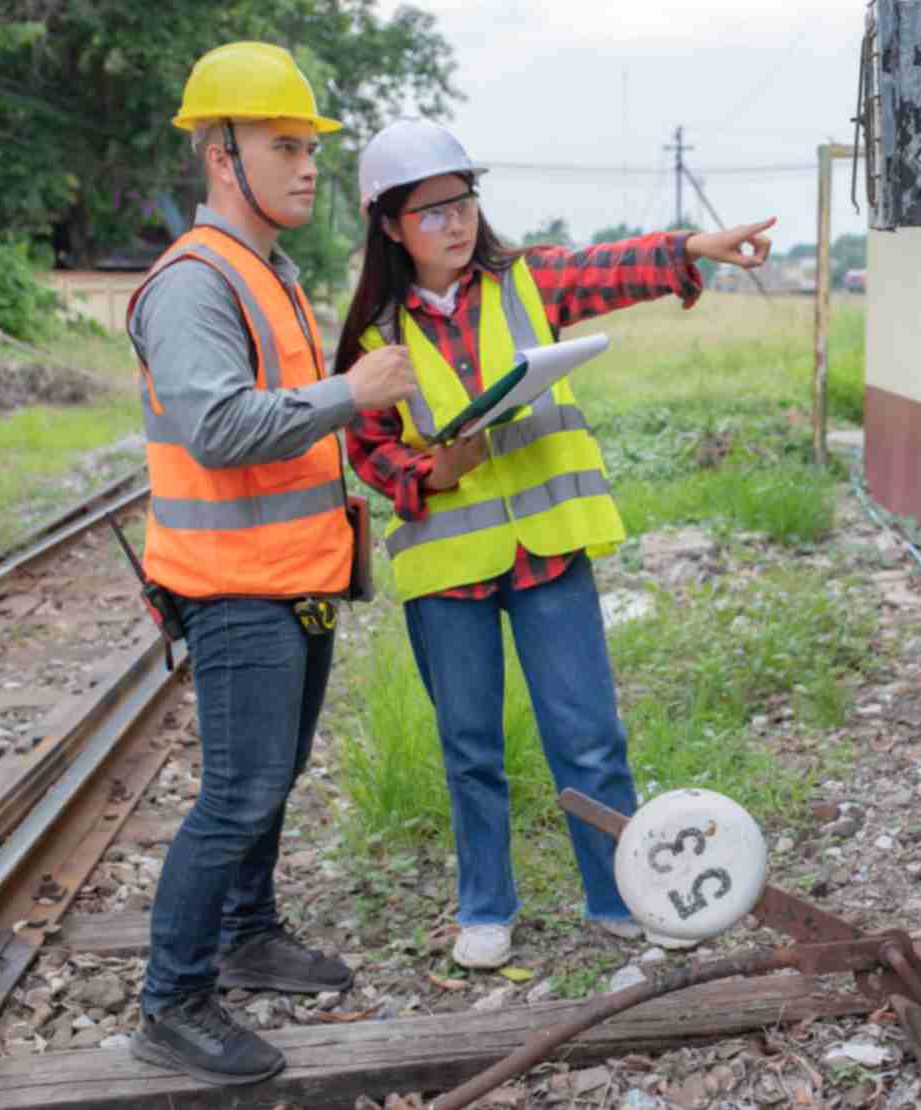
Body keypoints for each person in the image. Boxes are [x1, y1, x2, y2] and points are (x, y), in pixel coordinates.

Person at [336, 119, 772, 970]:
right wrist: (436, 471)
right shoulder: (373, 341)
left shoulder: (525, 283)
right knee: (471, 749)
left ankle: (616, 897)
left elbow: (618, 267)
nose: (455, 223)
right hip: (449, 569)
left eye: (463, 202)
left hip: (547, 553)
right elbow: (370, 455)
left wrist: (698, 246)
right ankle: (486, 908)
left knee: (588, 734)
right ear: (389, 225)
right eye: (430, 212)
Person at [125, 43, 418, 1086]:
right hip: (235, 586)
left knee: (274, 777)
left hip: (293, 574)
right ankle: (171, 1001)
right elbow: (218, 429)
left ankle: (248, 936)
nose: (305, 166)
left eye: (308, 147)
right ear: (219, 153)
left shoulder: (270, 272)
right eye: (282, 146)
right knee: (239, 794)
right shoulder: (194, 283)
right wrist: (354, 392)